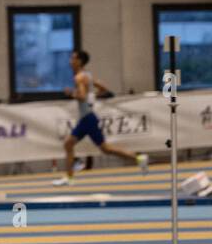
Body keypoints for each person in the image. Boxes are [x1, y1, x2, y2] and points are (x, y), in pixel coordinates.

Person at [54, 50, 146, 186]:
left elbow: (82, 97)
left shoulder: (79, 77)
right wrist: (93, 96)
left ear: (79, 61)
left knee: (69, 144)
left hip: (87, 118)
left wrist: (71, 92)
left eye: (73, 58)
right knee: (104, 149)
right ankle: (139, 158)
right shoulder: (88, 76)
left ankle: (70, 178)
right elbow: (104, 89)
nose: (70, 61)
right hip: (88, 117)